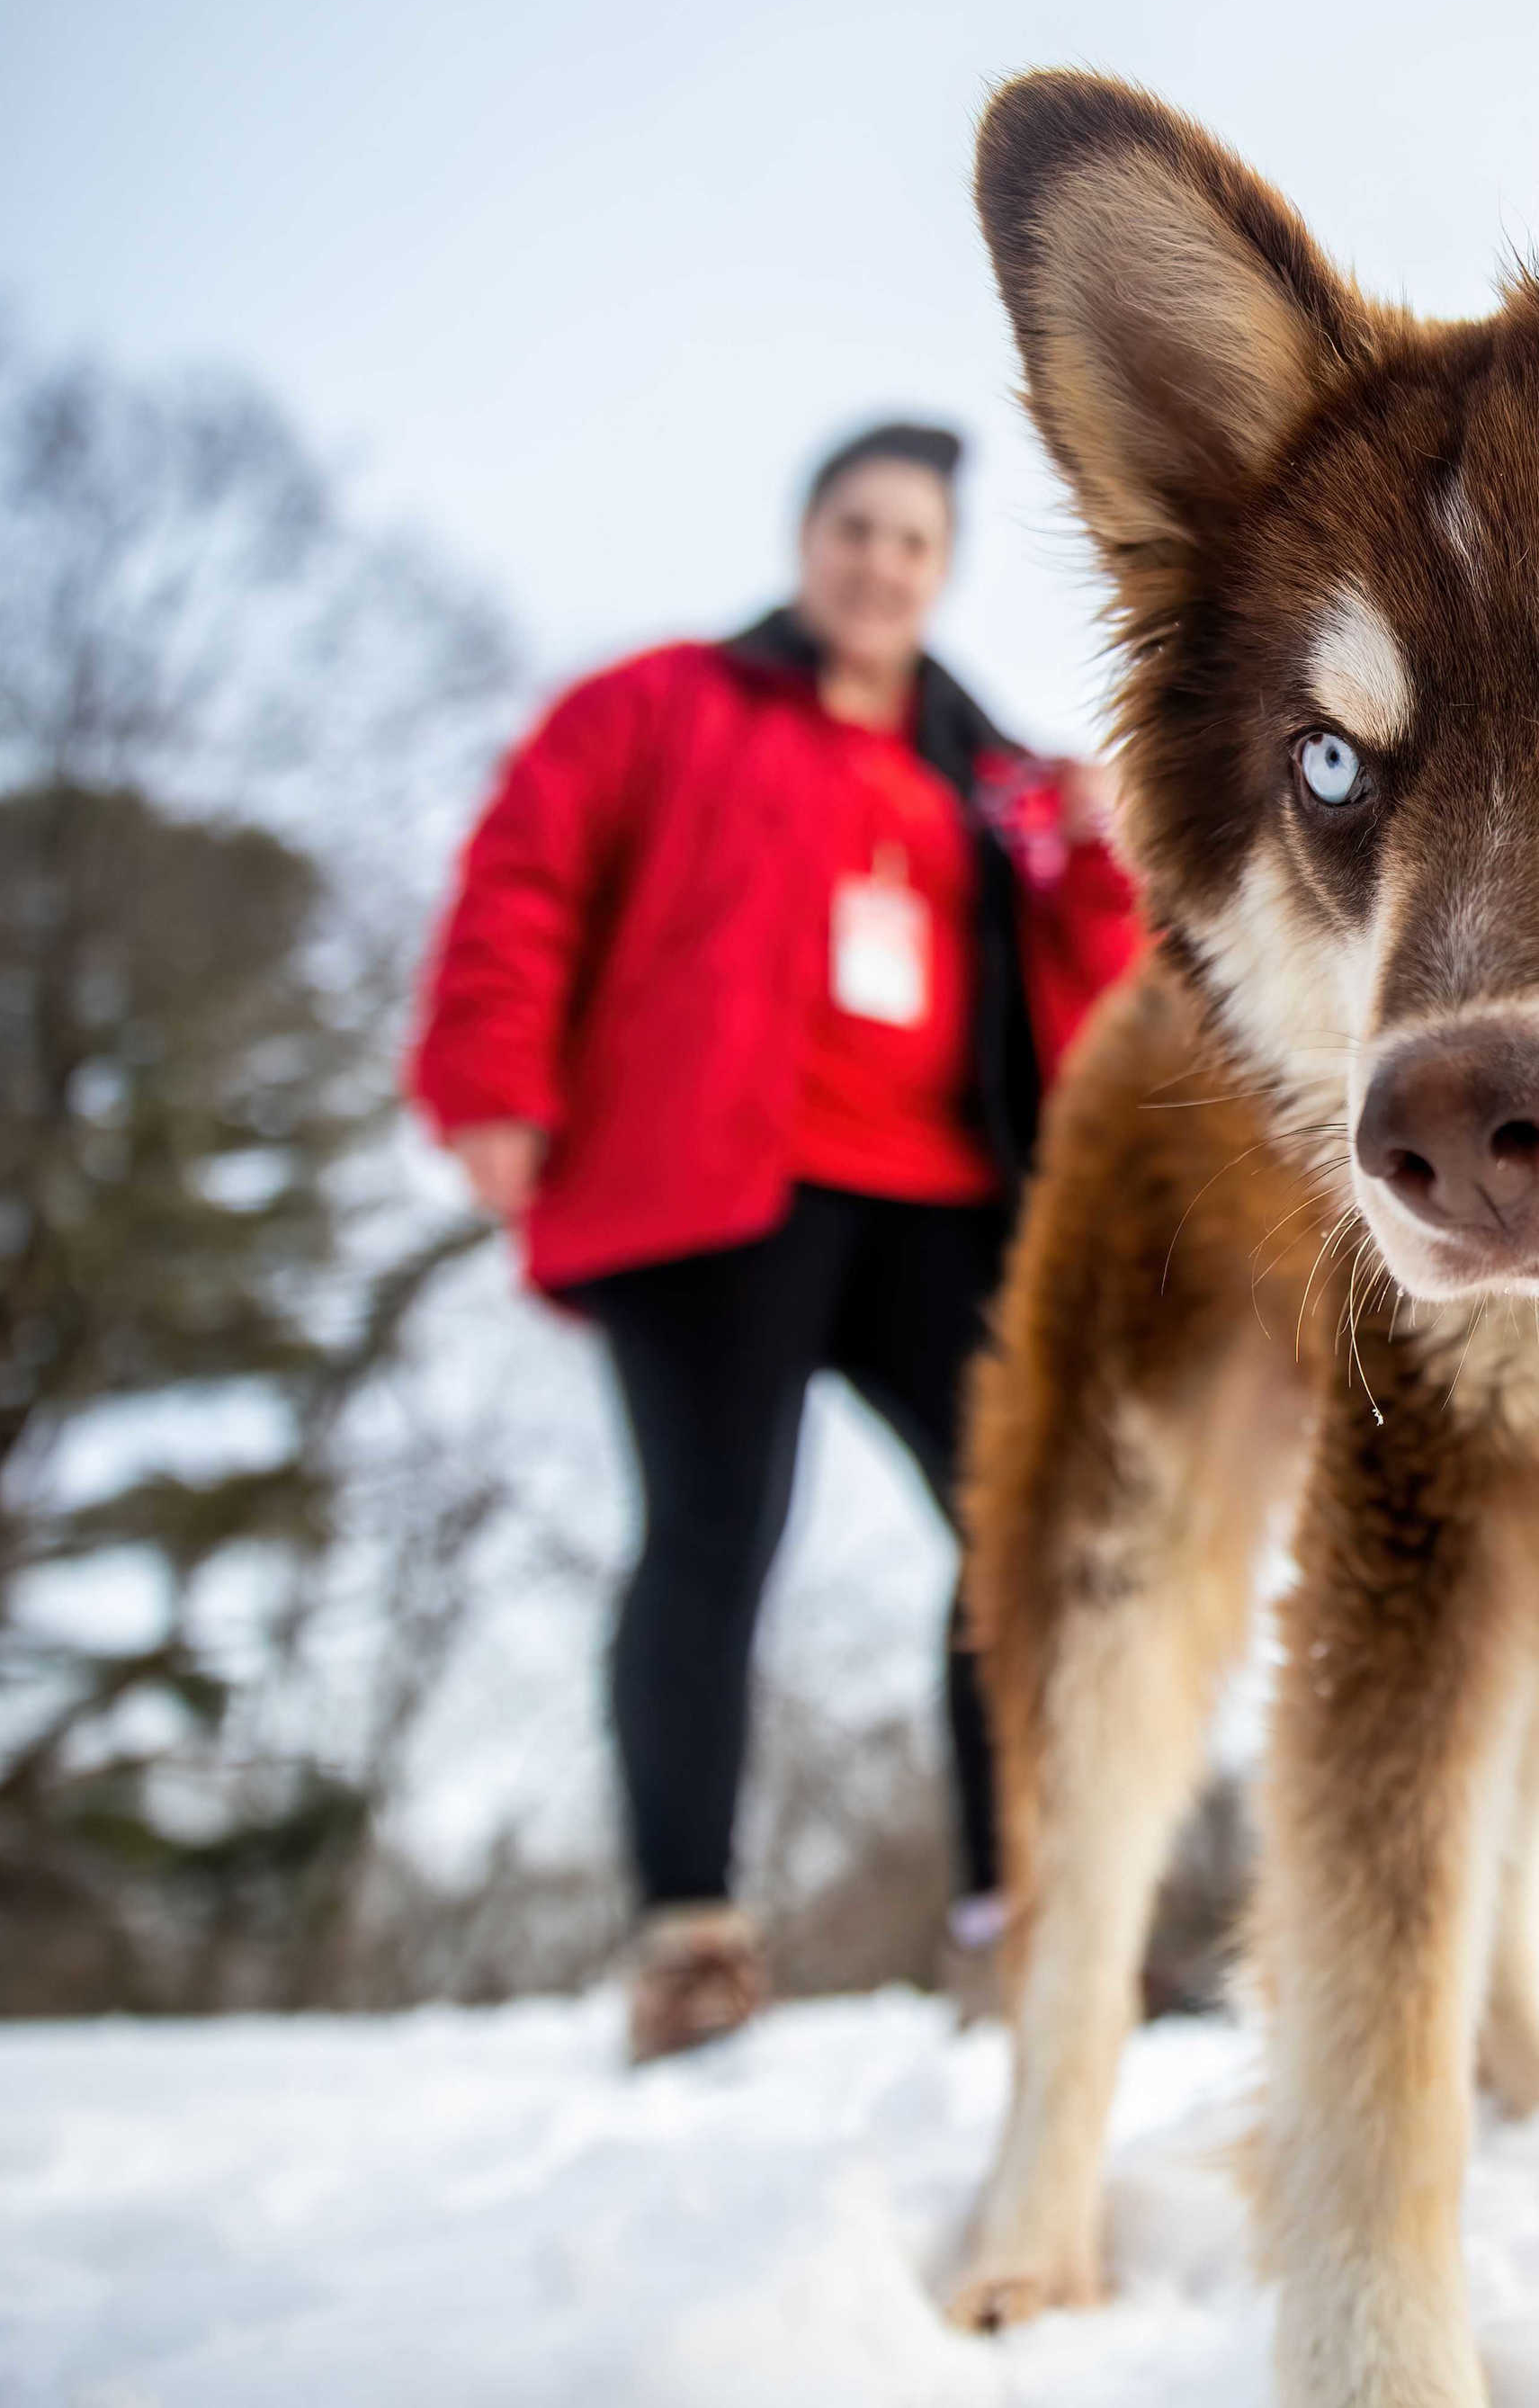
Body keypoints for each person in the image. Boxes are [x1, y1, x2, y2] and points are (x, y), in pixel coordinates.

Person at [406, 421, 1140, 2063]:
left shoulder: (994, 772)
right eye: (856, 528)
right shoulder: (659, 706)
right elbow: (523, 881)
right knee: (713, 1535)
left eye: (913, 544)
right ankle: (692, 1940)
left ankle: (1009, 1921)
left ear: (939, 573)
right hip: (710, 1187)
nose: (879, 563)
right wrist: (488, 1087)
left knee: (1028, 1521)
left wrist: (1095, 854)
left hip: (942, 1203)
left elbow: (1099, 994)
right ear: (808, 539)